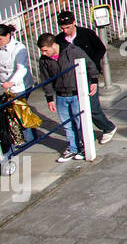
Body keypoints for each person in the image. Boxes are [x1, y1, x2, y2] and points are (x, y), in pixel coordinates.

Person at [55, 10, 118, 144]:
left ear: (74, 23)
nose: (66, 31)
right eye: (63, 28)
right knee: (78, 108)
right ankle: (83, 136)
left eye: (68, 27)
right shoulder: (59, 40)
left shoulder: (86, 34)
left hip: (89, 74)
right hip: (71, 77)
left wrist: (93, 66)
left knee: (91, 106)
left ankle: (108, 127)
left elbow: (100, 48)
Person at [35, 32, 95, 162]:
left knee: (80, 123)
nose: (43, 53)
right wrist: (50, 98)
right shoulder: (44, 60)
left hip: (75, 93)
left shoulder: (72, 51)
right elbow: (46, 80)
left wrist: (94, 80)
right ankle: (73, 148)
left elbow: (89, 64)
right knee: (67, 124)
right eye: (42, 51)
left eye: (45, 50)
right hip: (61, 96)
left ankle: (85, 146)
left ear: (53, 45)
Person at [0, 23, 35, 149]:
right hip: (6, 85)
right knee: (14, 112)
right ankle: (23, 137)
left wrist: (11, 82)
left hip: (20, 85)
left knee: (18, 112)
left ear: (8, 35)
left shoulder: (18, 48)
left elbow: (21, 69)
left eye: (0, 39)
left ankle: (29, 138)